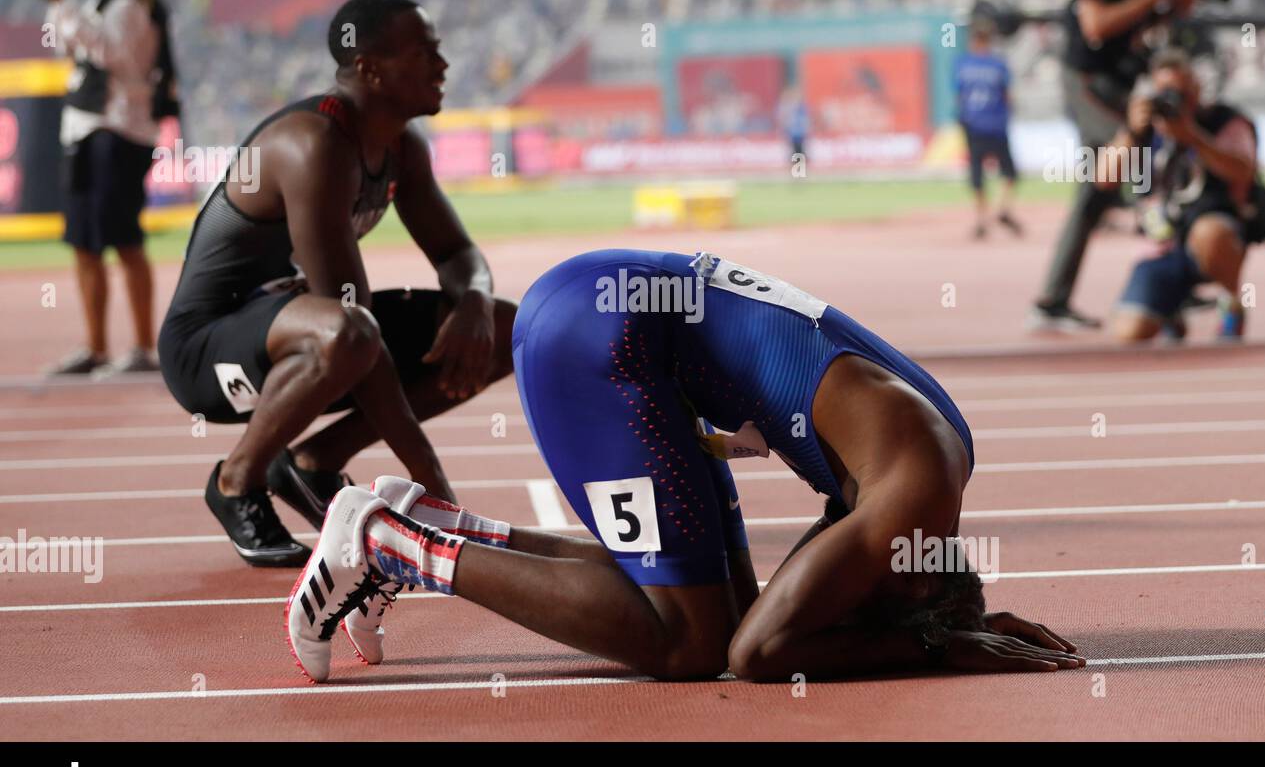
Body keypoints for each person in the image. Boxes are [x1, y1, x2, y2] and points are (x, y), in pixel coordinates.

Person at [288, 250, 1082, 683]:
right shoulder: (907, 498)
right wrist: (935, 647)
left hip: (623, 325)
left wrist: (691, 464)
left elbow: (766, 411)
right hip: (603, 341)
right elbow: (760, 655)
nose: (833, 610)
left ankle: (438, 523)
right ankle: (392, 541)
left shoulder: (930, 466)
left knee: (710, 599)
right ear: (898, 578)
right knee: (694, 645)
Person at [158, 0, 516, 567]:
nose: (443, 65)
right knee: (348, 333)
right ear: (370, 68)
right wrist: (429, 477)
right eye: (425, 52)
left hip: (314, 332)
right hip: (208, 347)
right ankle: (235, 481)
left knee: (504, 329)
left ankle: (309, 463)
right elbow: (352, 321)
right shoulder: (313, 144)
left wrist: (472, 300)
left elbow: (455, 252)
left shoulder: (401, 146)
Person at [1030, 0, 1193, 331]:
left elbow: (1139, 27)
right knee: (1140, 142)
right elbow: (1096, 27)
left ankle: (1050, 301)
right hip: (1086, 80)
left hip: (1119, 82)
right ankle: (1165, 256)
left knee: (1096, 192)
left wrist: (1171, 7)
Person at [24, 0, 179, 375]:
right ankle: (95, 348)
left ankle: (142, 348)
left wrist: (61, 1)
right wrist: (61, 0)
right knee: (84, 243)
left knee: (124, 239)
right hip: (86, 127)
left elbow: (114, 54)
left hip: (121, 128)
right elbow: (69, 46)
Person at [1110, 49, 1258, 341]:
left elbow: (1244, 170)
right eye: (1164, 92)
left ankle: (1232, 303)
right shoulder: (1144, 130)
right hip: (1161, 244)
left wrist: (1193, 137)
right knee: (1129, 334)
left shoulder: (1223, 120)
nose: (1173, 100)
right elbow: (1103, 178)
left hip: (1212, 236)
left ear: (1196, 88)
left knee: (1210, 233)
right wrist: (1130, 131)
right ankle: (1169, 309)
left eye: (1181, 91)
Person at [955, 18, 1021, 239]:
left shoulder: (963, 64)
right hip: (996, 125)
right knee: (1009, 172)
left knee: (976, 174)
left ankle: (981, 218)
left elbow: (959, 96)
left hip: (973, 125)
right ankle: (1002, 208)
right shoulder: (998, 65)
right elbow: (1009, 96)